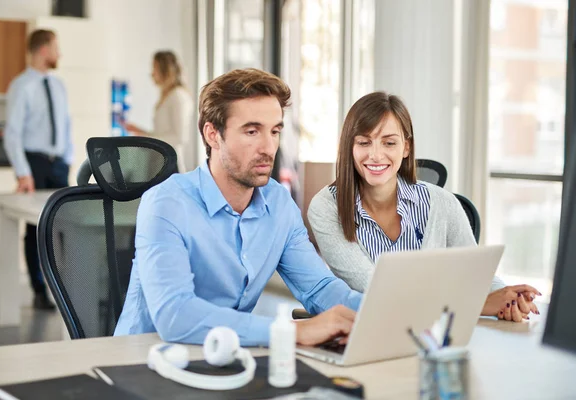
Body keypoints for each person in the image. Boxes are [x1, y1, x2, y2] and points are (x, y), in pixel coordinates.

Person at [114, 68, 361, 346]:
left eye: (275, 131)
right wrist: (293, 332)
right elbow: (176, 316)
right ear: (212, 135)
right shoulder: (166, 204)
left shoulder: (278, 204)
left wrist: (380, 315)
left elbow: (320, 288)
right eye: (252, 131)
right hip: (143, 364)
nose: (269, 147)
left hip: (225, 361)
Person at [307, 92, 541, 323]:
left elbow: (477, 276)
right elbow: (374, 289)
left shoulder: (444, 203)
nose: (376, 155)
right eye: (364, 142)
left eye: (389, 143)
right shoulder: (326, 208)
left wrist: (510, 300)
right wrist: (478, 304)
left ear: (406, 148)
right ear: (350, 146)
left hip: (435, 339)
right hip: (366, 339)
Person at [3, 29, 73, 310]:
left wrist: (67, 158)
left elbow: (66, 126)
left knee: (63, 226)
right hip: (34, 163)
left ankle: (66, 288)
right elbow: (12, 134)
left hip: (58, 164)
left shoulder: (59, 86)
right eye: (56, 47)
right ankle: (38, 290)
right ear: (44, 50)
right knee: (35, 229)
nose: (60, 54)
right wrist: (23, 172)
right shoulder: (21, 86)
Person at [123, 51, 194, 173]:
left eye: (154, 68)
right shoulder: (168, 96)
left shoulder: (178, 96)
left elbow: (179, 137)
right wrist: (140, 132)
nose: (152, 74)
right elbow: (163, 133)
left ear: (165, 70)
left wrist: (145, 137)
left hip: (171, 163)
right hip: (160, 161)